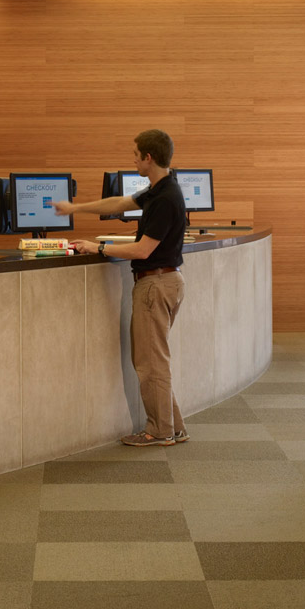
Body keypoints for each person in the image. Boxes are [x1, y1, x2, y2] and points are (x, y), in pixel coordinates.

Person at [56, 129, 188, 447]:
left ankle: (159, 431)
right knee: (154, 359)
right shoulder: (160, 189)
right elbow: (120, 202)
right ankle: (173, 427)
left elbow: (143, 250)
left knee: (151, 363)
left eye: (135, 155)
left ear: (148, 157)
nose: (133, 160)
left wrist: (99, 247)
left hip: (155, 284)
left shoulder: (165, 198)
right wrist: (76, 208)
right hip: (162, 282)